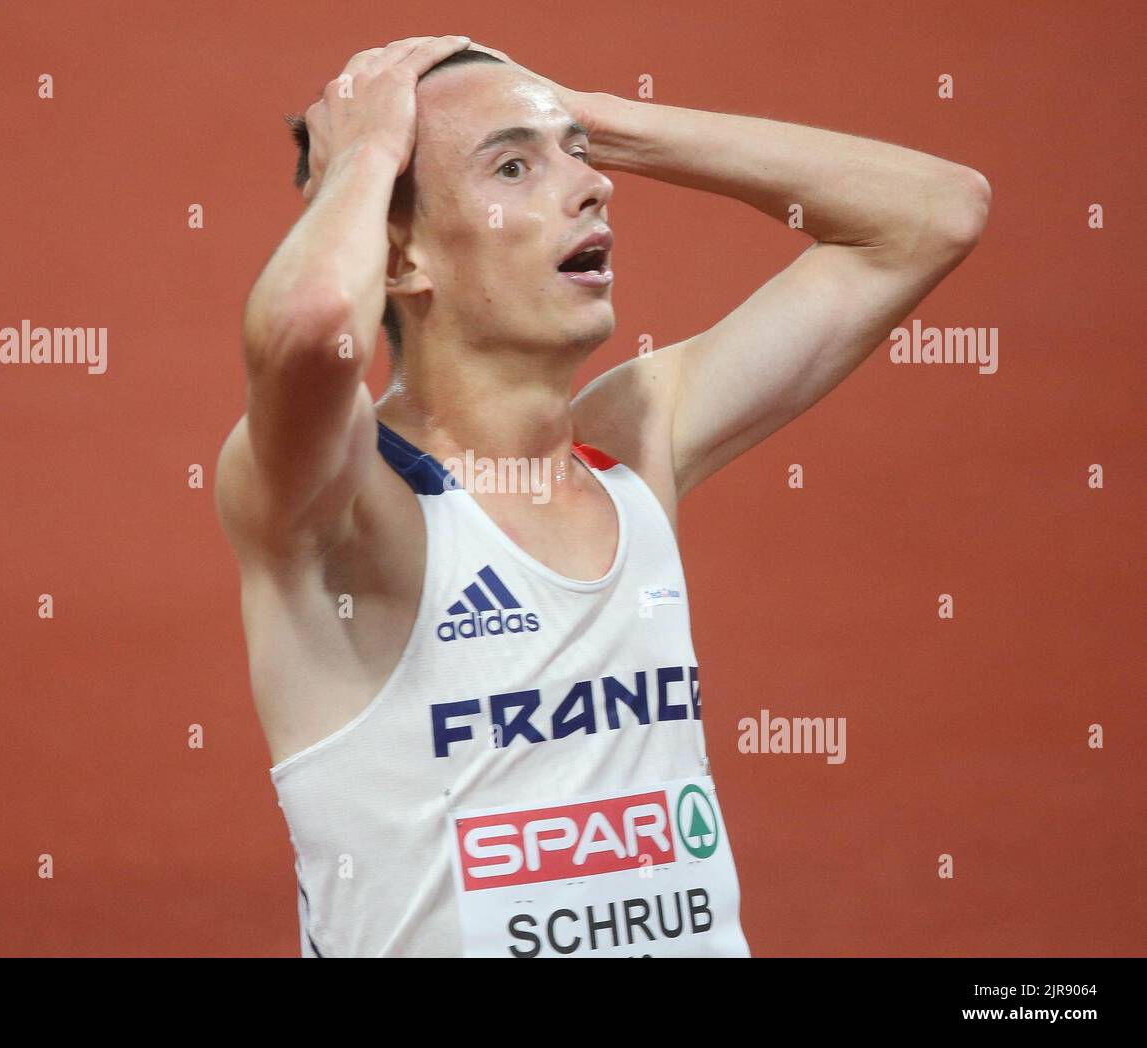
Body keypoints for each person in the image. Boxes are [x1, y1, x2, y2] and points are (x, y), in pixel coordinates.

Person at [213, 35, 990, 957]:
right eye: (511, 169)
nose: (592, 189)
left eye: (575, 163)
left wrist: (583, 121)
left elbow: (934, 213)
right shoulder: (353, 507)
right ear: (401, 258)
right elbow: (309, 328)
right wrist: (373, 151)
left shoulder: (630, 447)